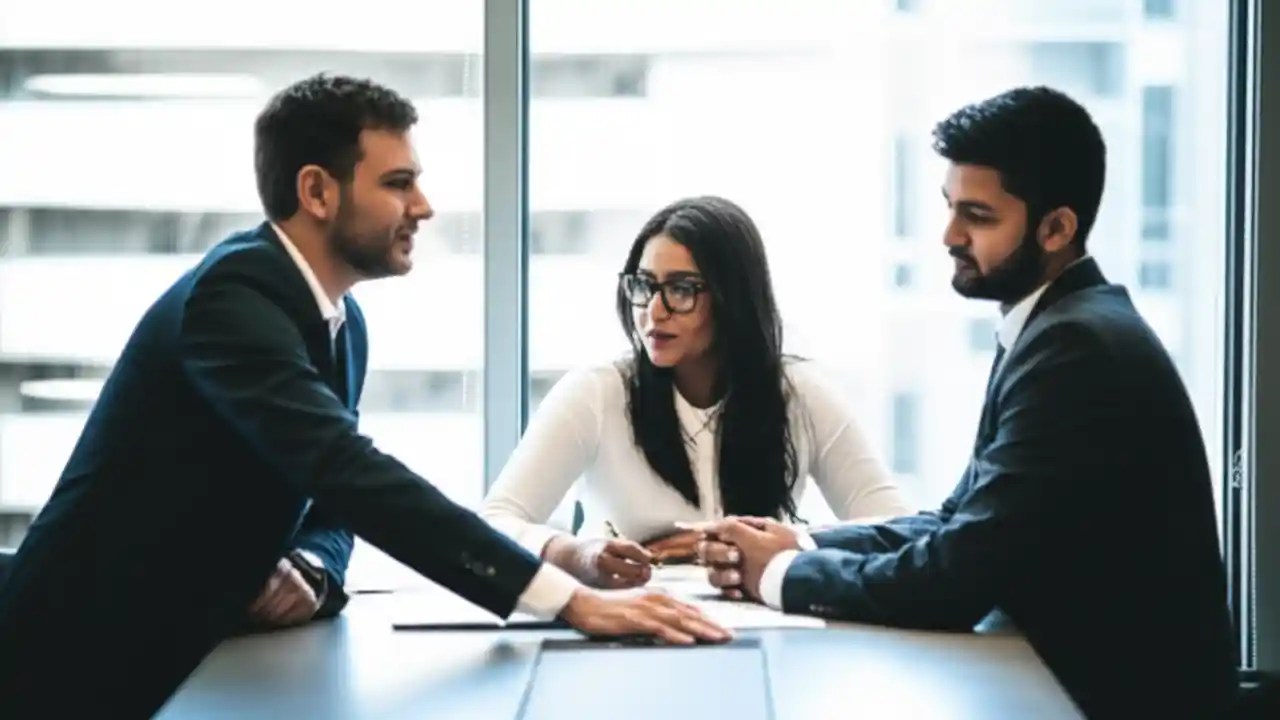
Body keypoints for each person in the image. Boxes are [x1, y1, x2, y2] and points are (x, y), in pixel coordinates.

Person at [0, 74, 728, 718]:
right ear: (317, 191)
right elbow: (352, 474)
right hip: (76, 667)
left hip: (204, 661)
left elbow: (327, 501)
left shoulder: (339, 323)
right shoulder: (232, 300)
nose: (424, 206)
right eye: (397, 183)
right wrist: (568, 600)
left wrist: (314, 570)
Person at [698, 87, 1237, 718]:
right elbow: (961, 518)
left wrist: (779, 574)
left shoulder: (1076, 348)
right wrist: (809, 545)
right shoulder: (1054, 324)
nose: (949, 235)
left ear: (1057, 227)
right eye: (950, 207)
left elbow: (956, 580)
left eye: (977, 216)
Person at [481, 196, 908, 588]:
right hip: (627, 625)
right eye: (644, 285)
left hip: (763, 626)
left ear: (733, 298)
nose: (654, 310)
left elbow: (897, 529)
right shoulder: (595, 393)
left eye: (682, 289)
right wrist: (577, 553)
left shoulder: (801, 394)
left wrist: (777, 542)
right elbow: (495, 521)